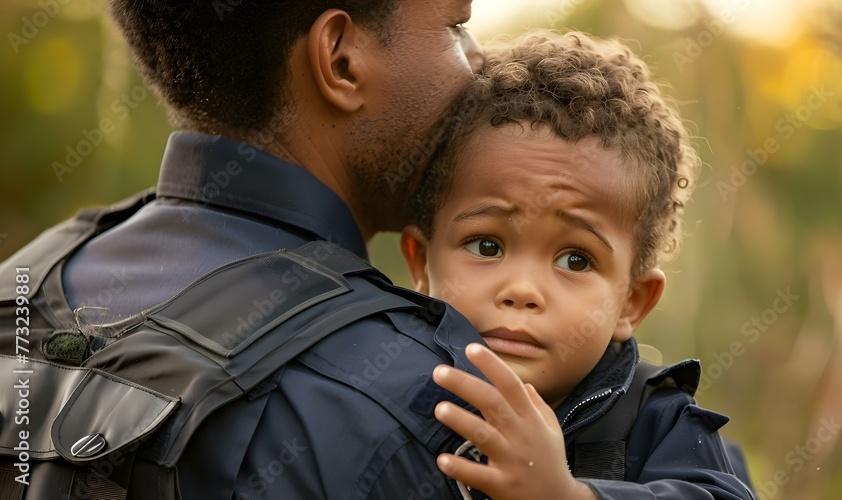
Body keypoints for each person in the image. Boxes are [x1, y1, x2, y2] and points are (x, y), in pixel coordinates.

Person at [0, 1, 489, 498]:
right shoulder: (430, 397)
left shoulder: (14, 284)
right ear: (341, 60)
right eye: (458, 28)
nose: (481, 61)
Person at [399, 31, 755, 499]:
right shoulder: (390, 397)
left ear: (631, 301)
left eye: (575, 259)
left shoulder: (659, 424)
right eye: (486, 246)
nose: (522, 289)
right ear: (422, 261)